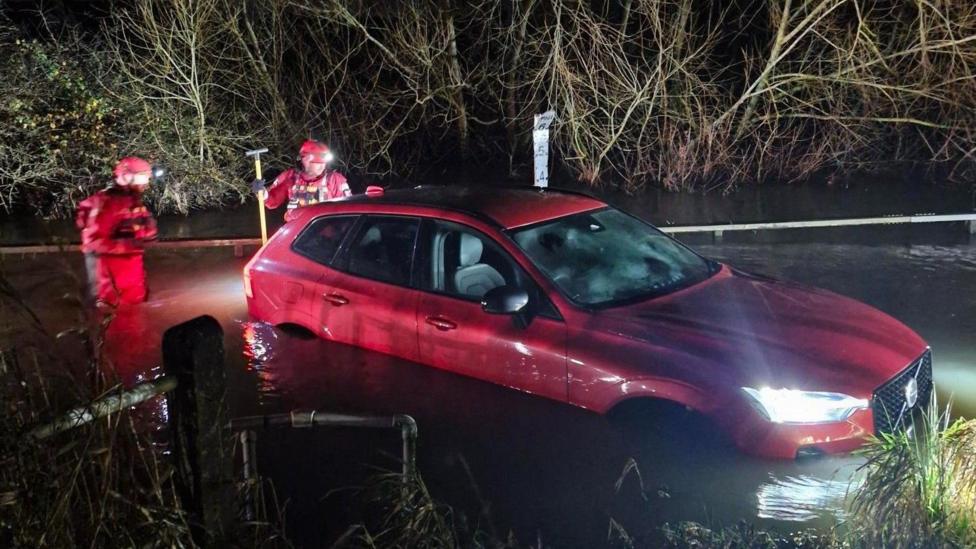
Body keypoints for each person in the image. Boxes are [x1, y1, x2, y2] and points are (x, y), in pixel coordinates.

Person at [76, 156, 158, 307]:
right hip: (111, 287)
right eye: (141, 178)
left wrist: (147, 232)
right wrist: (129, 245)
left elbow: (146, 232)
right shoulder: (107, 203)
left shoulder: (133, 202)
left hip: (131, 280)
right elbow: (93, 242)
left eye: (147, 178)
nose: (145, 183)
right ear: (126, 176)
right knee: (115, 321)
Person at [252, 140, 351, 221]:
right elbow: (272, 201)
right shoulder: (291, 177)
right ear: (305, 160)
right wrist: (262, 192)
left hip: (324, 235)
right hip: (297, 234)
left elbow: (348, 209)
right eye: (317, 163)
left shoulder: (335, 180)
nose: (322, 166)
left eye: (323, 163)